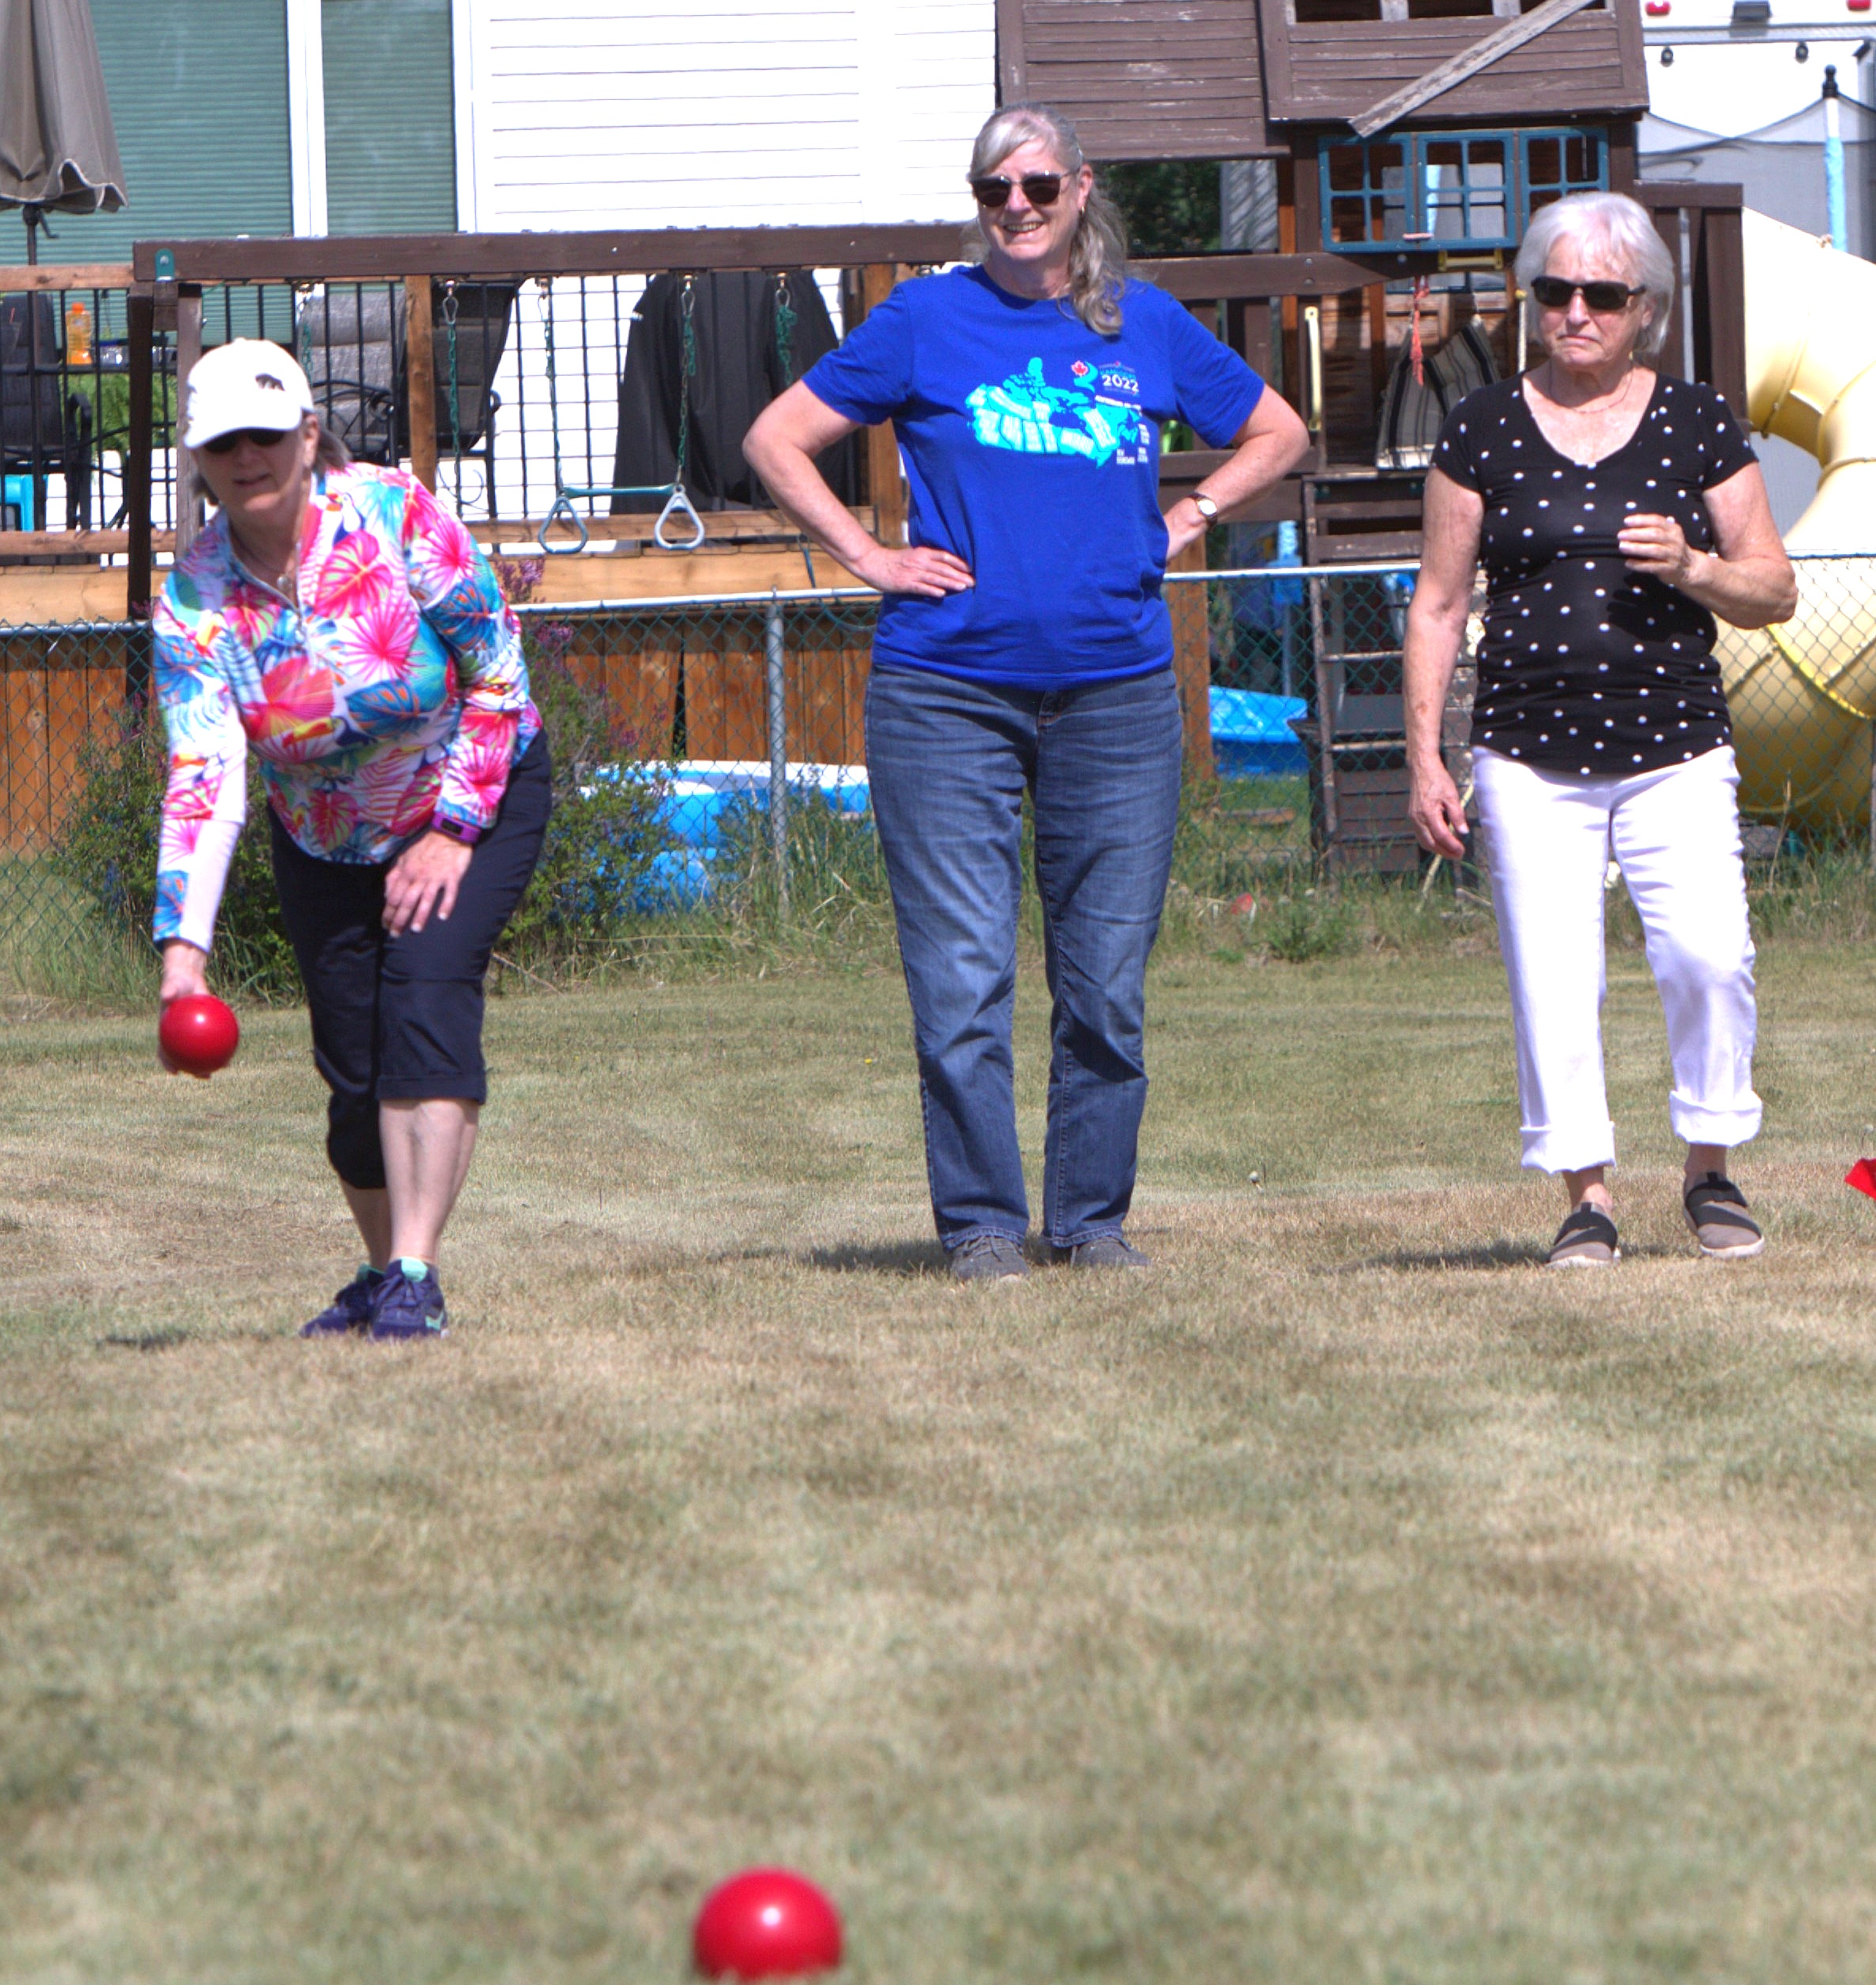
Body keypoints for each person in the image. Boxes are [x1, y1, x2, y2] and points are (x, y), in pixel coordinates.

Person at [742, 103, 1308, 1283]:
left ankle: (1091, 1221)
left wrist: (1191, 515)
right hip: (944, 696)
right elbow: (778, 438)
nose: (1017, 208)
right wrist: (868, 556)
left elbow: (1277, 430)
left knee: (1104, 977)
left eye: (1038, 187)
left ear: (1080, 189)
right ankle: (984, 1225)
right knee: (960, 976)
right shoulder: (924, 317)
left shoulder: (1140, 322)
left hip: (1117, 698)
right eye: (995, 189)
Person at [1403, 191, 1798, 1268]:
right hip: (1527, 752)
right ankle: (1584, 1194)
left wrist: (1695, 568)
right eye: (1554, 291)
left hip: (1675, 743)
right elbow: (1437, 603)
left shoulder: (1696, 422)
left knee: (1708, 957)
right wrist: (1425, 754)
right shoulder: (1480, 428)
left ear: (1645, 309)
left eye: (1601, 295)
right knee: (1550, 976)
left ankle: (1710, 1171)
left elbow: (1774, 588)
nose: (1575, 312)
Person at [151, 340, 553, 1339]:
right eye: (223, 443)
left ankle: (416, 1270)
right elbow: (205, 776)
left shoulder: (391, 516)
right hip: (324, 836)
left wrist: (456, 831)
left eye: (266, 434)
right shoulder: (194, 599)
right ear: (197, 459)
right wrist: (183, 954)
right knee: (353, 1077)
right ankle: (385, 1279)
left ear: (308, 434)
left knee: (424, 1001)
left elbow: (497, 669)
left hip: (468, 793)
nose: (249, 458)